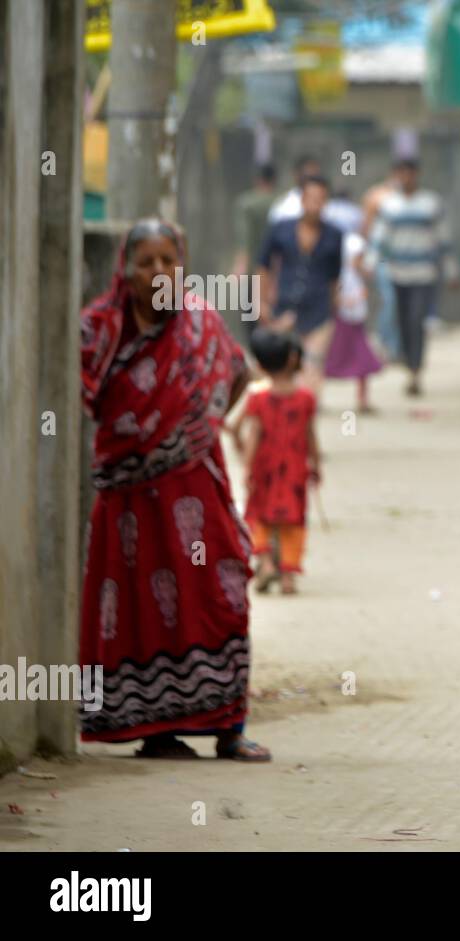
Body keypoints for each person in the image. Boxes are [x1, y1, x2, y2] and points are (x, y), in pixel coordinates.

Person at [78, 218, 270, 762]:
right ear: (126, 270)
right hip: (130, 500)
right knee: (142, 608)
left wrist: (198, 430)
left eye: (169, 260)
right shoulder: (98, 331)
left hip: (198, 490)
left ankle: (230, 727)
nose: (159, 271)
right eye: (147, 262)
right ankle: (158, 733)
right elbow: (87, 400)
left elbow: (237, 372)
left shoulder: (201, 323)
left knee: (221, 592)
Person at [235, 329, 320, 596]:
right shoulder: (305, 399)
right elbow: (311, 437)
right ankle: (288, 578)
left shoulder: (258, 399)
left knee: (260, 517)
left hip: (264, 469)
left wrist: (247, 466)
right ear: (294, 360)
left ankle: (267, 562)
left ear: (259, 366)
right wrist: (316, 465)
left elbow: (252, 435)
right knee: (292, 521)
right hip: (295, 471)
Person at [368, 158, 460, 396]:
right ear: (396, 175)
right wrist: (370, 263)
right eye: (401, 173)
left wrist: (451, 270)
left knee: (416, 320)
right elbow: (379, 239)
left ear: (417, 174)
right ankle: (409, 362)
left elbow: (443, 240)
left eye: (410, 173)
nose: (406, 178)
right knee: (402, 321)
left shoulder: (430, 203)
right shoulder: (389, 205)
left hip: (424, 273)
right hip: (397, 272)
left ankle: (415, 370)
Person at [257, 175, 344, 391]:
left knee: (313, 365)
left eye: (320, 198)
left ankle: (306, 413)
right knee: (279, 366)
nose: (315, 203)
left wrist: (335, 306)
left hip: (318, 310)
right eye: (311, 197)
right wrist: (261, 302)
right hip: (285, 308)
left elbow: (335, 276)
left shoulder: (334, 235)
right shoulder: (280, 229)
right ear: (302, 199)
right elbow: (263, 266)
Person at [324, 229, 385, 413]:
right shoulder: (341, 276)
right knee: (326, 360)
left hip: (356, 322)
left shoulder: (357, 276)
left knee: (363, 361)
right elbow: (334, 296)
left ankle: (363, 400)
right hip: (342, 323)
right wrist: (344, 301)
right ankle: (315, 395)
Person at [361, 167, 402, 358]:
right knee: (389, 299)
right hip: (382, 258)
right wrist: (369, 258)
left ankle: (396, 345)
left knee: (401, 302)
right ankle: (384, 341)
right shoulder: (376, 196)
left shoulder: (409, 199)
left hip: (404, 259)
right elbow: (367, 228)